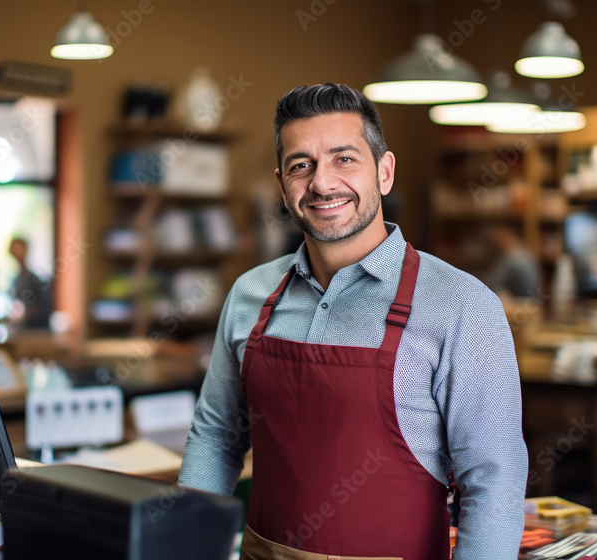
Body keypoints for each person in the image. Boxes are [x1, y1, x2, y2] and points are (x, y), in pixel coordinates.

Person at [178, 83, 527, 560]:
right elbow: (216, 436)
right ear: (282, 186)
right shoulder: (249, 294)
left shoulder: (462, 306)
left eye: (344, 159)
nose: (322, 184)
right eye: (301, 165)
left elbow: (494, 481)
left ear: (384, 172)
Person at [8, 237, 53, 329]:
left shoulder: (37, 279)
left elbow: (45, 308)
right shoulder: (16, 281)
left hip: (38, 329)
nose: (17, 253)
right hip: (23, 330)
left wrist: (26, 312)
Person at [486, 224, 541, 299]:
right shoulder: (524, 251)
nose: (495, 247)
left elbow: (494, 282)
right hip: (533, 297)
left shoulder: (513, 257)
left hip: (523, 300)